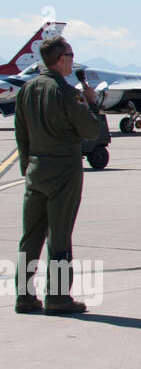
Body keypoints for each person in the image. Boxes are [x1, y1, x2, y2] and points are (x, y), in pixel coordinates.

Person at [13, 37, 104, 314]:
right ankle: (57, 296)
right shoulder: (64, 92)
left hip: (35, 170)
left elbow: (21, 135)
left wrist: (28, 169)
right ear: (61, 58)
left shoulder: (27, 89)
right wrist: (91, 104)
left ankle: (24, 296)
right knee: (60, 237)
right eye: (71, 55)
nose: (72, 60)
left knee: (30, 237)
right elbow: (91, 130)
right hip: (63, 172)